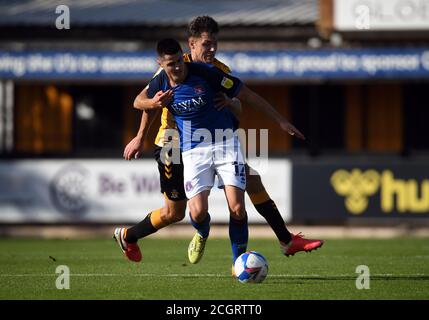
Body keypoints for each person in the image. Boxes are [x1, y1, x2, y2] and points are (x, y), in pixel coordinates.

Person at [114, 16, 323, 267]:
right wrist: (140, 136)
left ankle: (285, 240)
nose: (211, 49)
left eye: (215, 44)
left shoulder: (219, 71)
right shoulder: (173, 66)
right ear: (191, 45)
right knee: (175, 213)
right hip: (172, 144)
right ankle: (131, 235)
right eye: (206, 44)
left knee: (251, 182)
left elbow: (238, 108)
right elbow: (146, 102)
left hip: (216, 141)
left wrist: (231, 103)